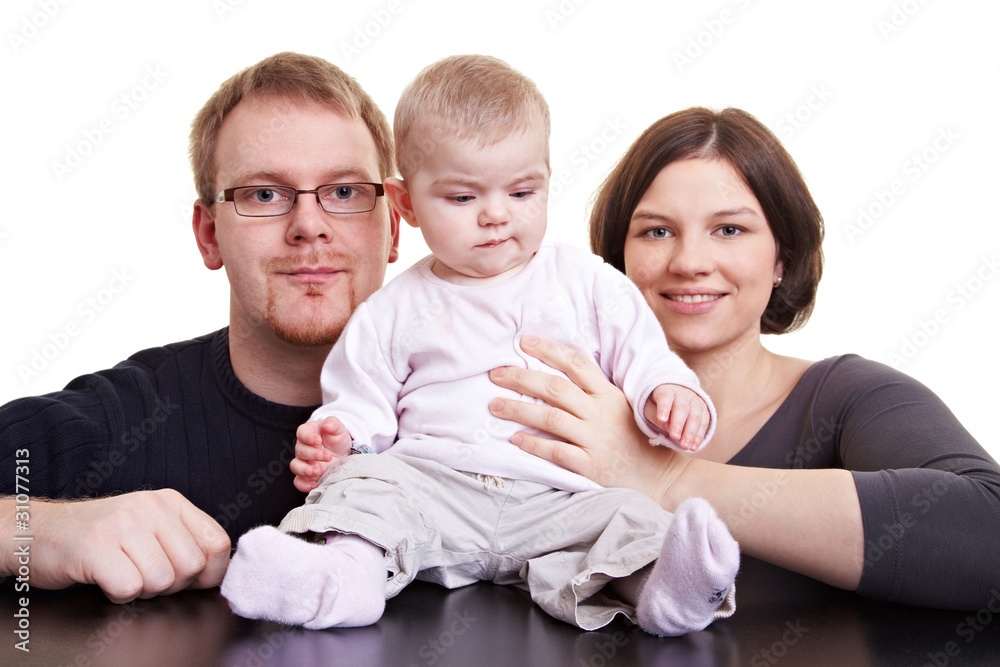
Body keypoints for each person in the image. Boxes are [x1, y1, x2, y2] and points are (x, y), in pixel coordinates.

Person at [220, 55, 738, 636]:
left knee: (634, 517)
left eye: (522, 191)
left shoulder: (588, 282)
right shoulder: (391, 311)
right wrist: (342, 438)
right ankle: (341, 580)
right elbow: (360, 398)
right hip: (434, 490)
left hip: (560, 497)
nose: (496, 216)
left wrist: (668, 394)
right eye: (463, 198)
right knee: (363, 492)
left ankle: (665, 590)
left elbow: (644, 356)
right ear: (406, 204)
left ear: (546, 179)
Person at [486, 107, 1000, 611]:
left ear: (783, 258)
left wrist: (663, 478)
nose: (689, 262)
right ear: (616, 260)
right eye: (656, 231)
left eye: (729, 229)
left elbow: (987, 535)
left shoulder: (847, 399)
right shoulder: (554, 399)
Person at [0, 52, 400, 603]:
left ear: (394, 228)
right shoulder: (123, 421)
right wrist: (31, 532)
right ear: (209, 234)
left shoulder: (507, 407)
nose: (309, 226)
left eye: (345, 192)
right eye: (265, 195)